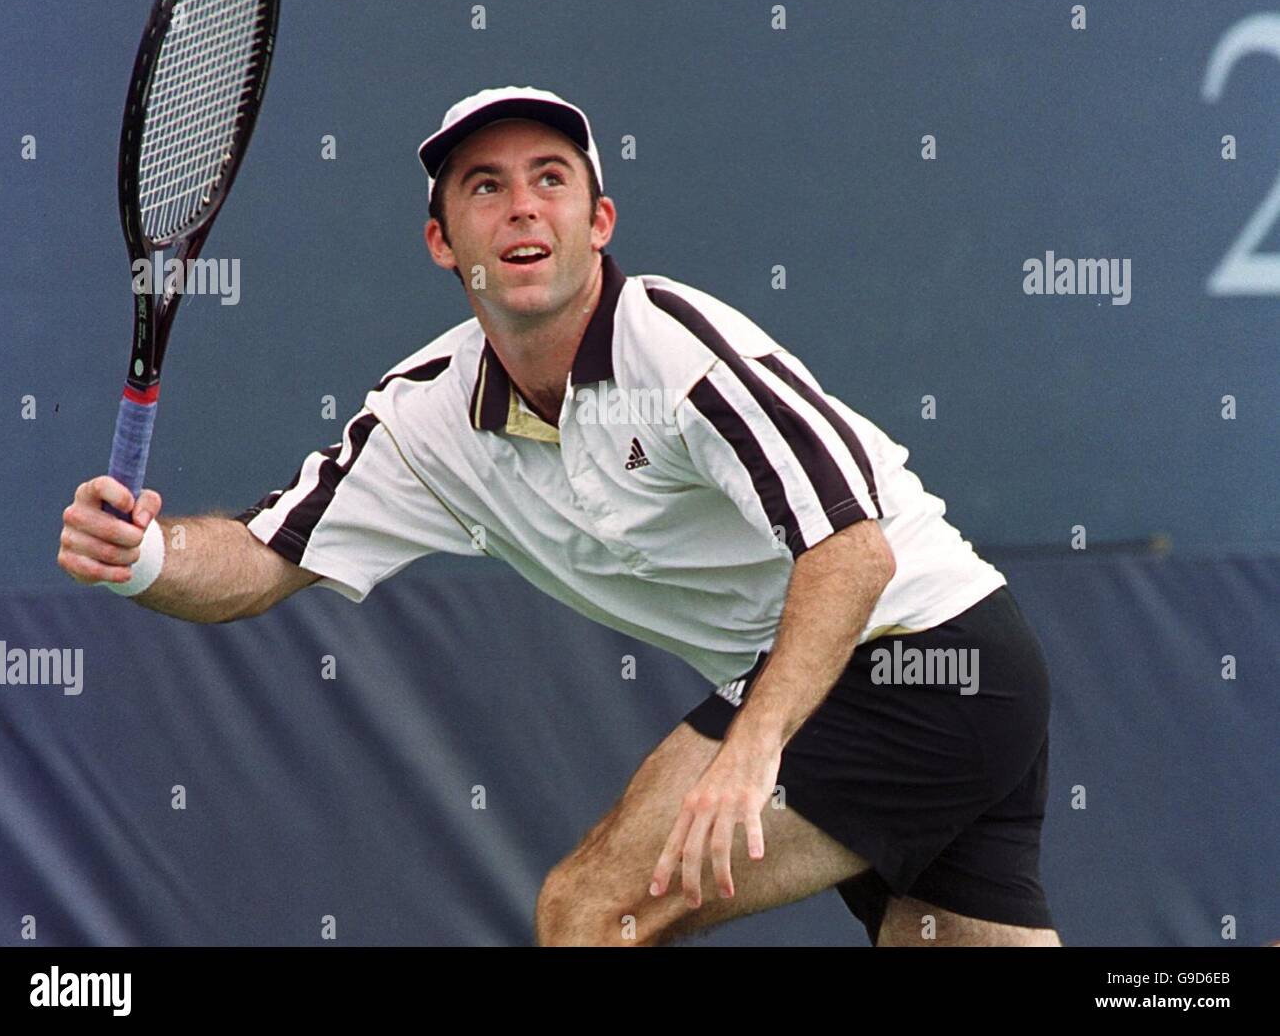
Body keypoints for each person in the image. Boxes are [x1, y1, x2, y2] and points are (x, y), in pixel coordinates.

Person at [58, 85, 1061, 947]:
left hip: (922, 651)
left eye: (550, 178)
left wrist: (755, 745)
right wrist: (142, 554)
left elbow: (852, 550)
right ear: (442, 242)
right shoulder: (425, 417)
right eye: (484, 187)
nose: (522, 206)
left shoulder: (680, 353)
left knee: (592, 913)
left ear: (599, 221)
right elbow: (264, 556)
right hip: (888, 686)